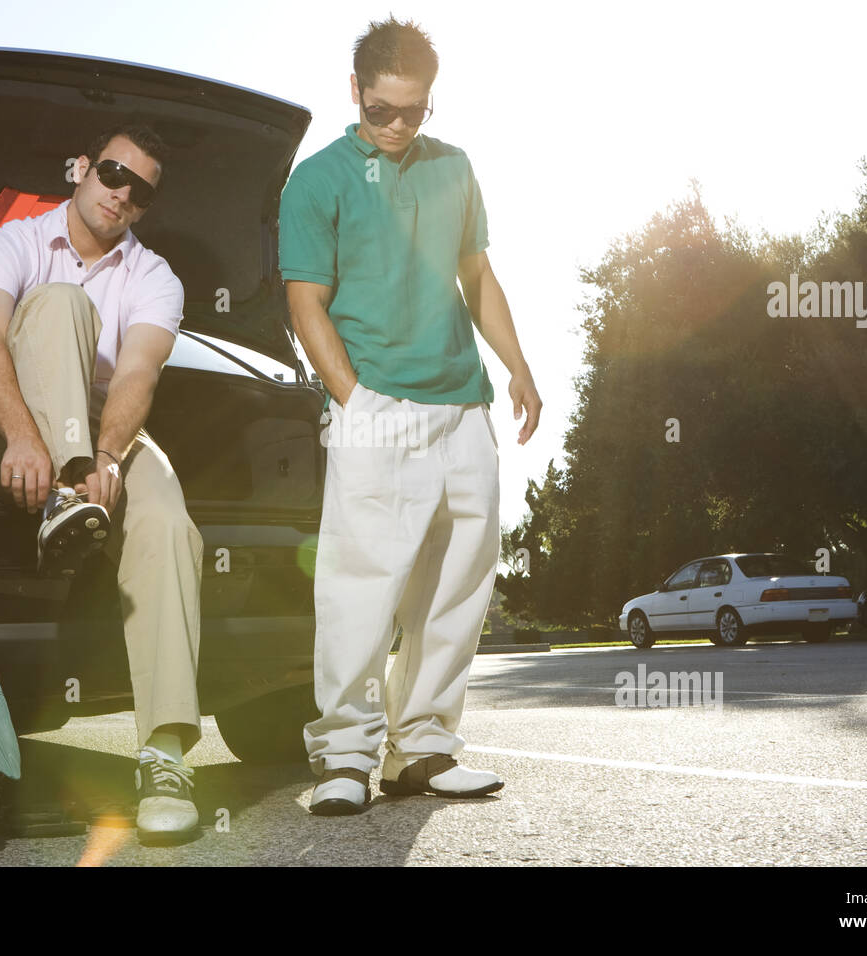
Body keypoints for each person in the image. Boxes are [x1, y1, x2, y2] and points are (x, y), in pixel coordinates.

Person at [279, 17, 542, 815]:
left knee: (455, 586)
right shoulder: (316, 181)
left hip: (461, 403)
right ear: (354, 91)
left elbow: (478, 275)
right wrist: (355, 400)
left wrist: (518, 365)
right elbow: (305, 304)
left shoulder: (454, 168)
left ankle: (423, 749)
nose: (396, 126)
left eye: (414, 111)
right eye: (382, 109)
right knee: (361, 586)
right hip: (375, 402)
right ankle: (346, 758)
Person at [0, 124, 203, 844]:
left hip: (100, 432)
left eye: (141, 188)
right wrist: (29, 440)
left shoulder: (155, 277)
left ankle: (163, 753)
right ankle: (62, 497)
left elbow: (137, 374)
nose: (122, 192)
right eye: (112, 172)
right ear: (82, 169)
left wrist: (108, 456)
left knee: (167, 522)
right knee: (63, 303)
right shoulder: (11, 243)